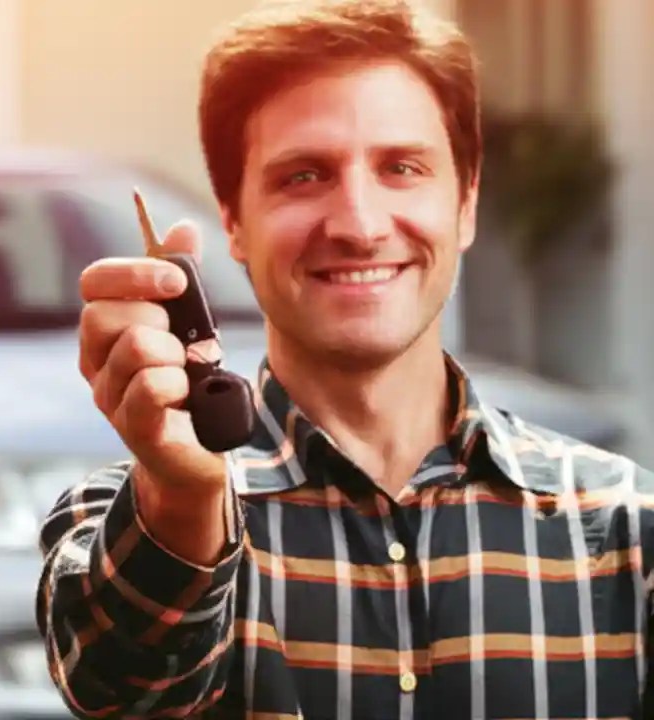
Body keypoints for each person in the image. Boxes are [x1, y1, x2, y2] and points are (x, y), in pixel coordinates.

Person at [36, 0, 654, 718]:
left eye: (402, 167)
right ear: (233, 219)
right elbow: (121, 691)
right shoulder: (143, 513)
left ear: (466, 202)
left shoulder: (628, 533)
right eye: (303, 175)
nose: (359, 226)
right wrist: (181, 498)